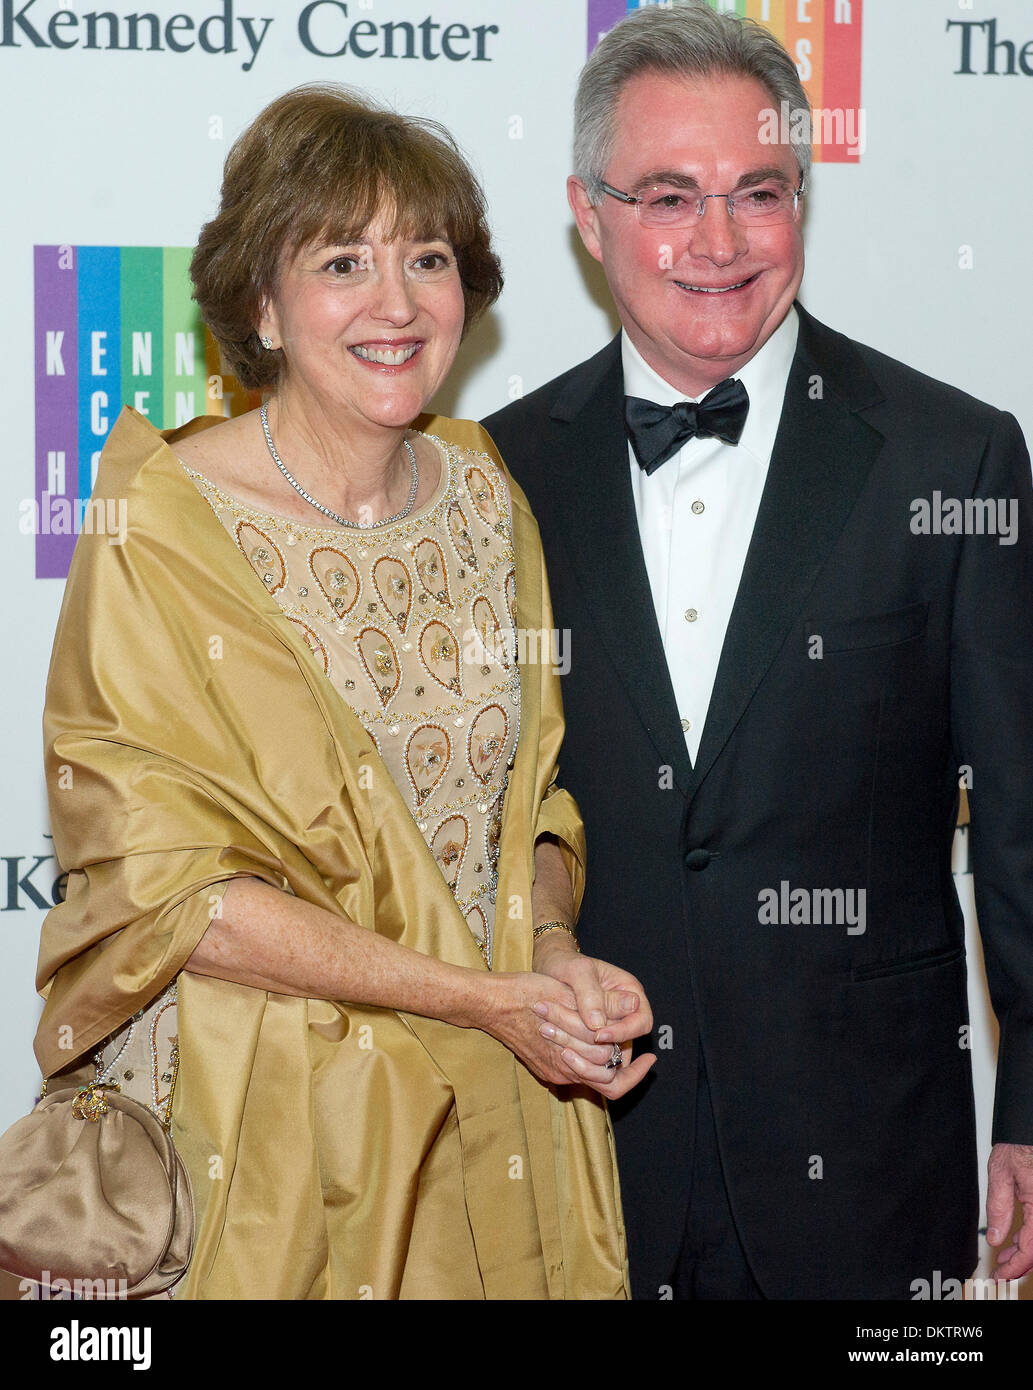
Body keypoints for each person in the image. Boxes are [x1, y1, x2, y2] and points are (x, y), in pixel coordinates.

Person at [33, 84, 655, 1300]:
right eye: (341, 260)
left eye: (426, 256)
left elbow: (529, 804)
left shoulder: (486, 494)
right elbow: (172, 899)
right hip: (272, 1134)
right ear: (260, 306)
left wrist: (555, 947)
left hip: (503, 1116)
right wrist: (487, 998)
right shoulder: (158, 526)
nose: (395, 300)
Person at [483, 4, 1033, 1300]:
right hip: (576, 1159)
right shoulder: (494, 472)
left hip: (868, 1163)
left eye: (759, 192)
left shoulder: (950, 458)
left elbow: (1018, 831)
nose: (719, 242)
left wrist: (1027, 1112)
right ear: (586, 208)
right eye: (668, 195)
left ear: (804, 196)